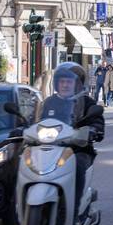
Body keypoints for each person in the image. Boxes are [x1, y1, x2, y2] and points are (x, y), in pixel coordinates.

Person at [42, 62, 104, 216]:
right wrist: (23, 127)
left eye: (69, 81)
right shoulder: (49, 102)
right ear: (57, 83)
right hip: (51, 148)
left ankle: (74, 211)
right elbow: (35, 120)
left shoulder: (87, 102)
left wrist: (94, 130)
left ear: (77, 84)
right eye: (62, 81)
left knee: (78, 166)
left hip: (78, 149)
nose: (65, 85)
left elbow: (97, 120)